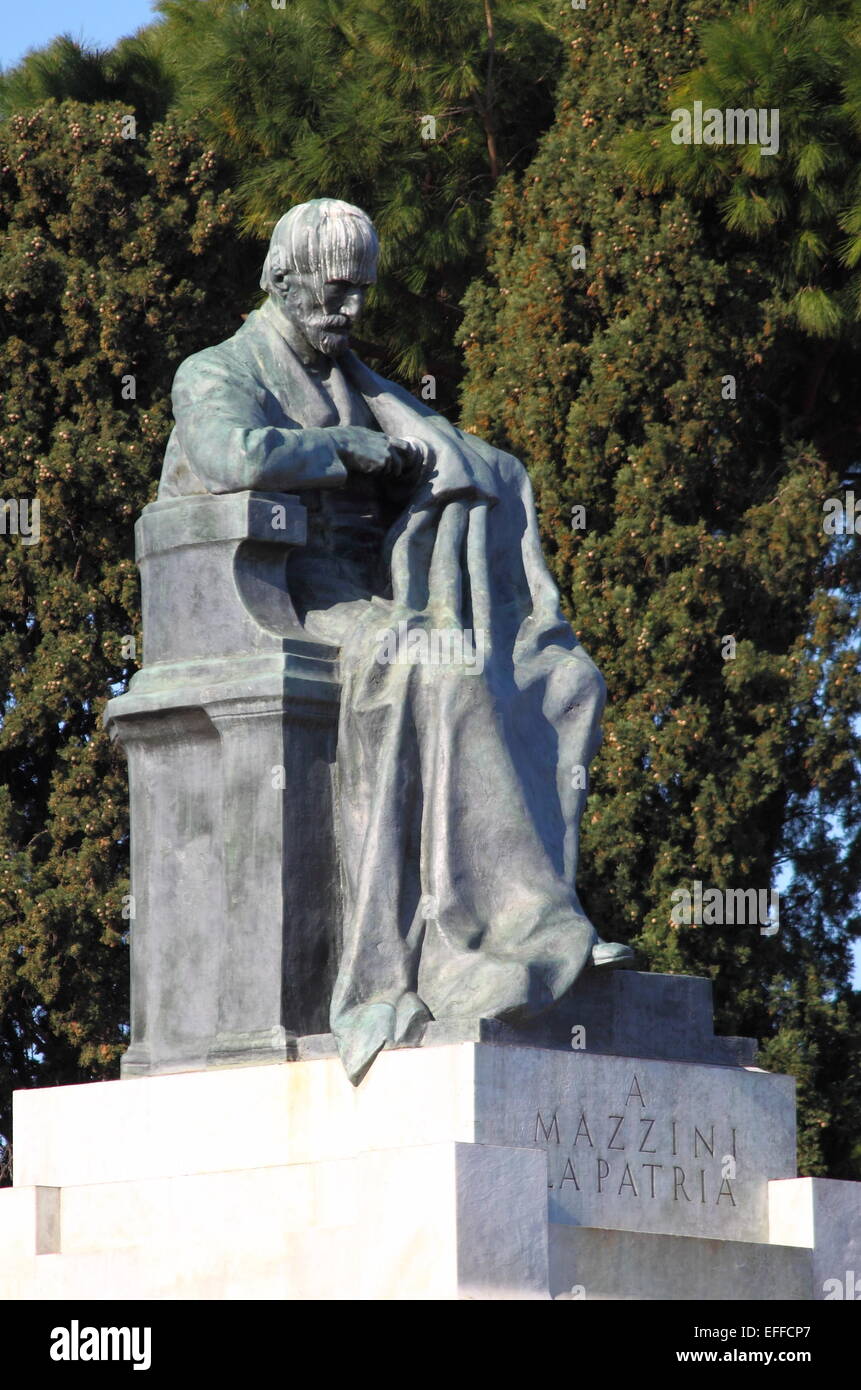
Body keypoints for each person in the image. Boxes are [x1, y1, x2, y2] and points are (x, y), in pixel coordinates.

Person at [160, 198, 633, 1084]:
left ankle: (535, 916)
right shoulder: (217, 370)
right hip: (298, 598)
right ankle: (463, 939)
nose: (349, 310)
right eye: (335, 289)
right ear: (282, 278)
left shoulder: (361, 377)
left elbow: (445, 450)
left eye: (360, 293)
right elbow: (227, 456)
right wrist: (343, 451)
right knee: (434, 664)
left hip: (378, 592)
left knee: (561, 678)